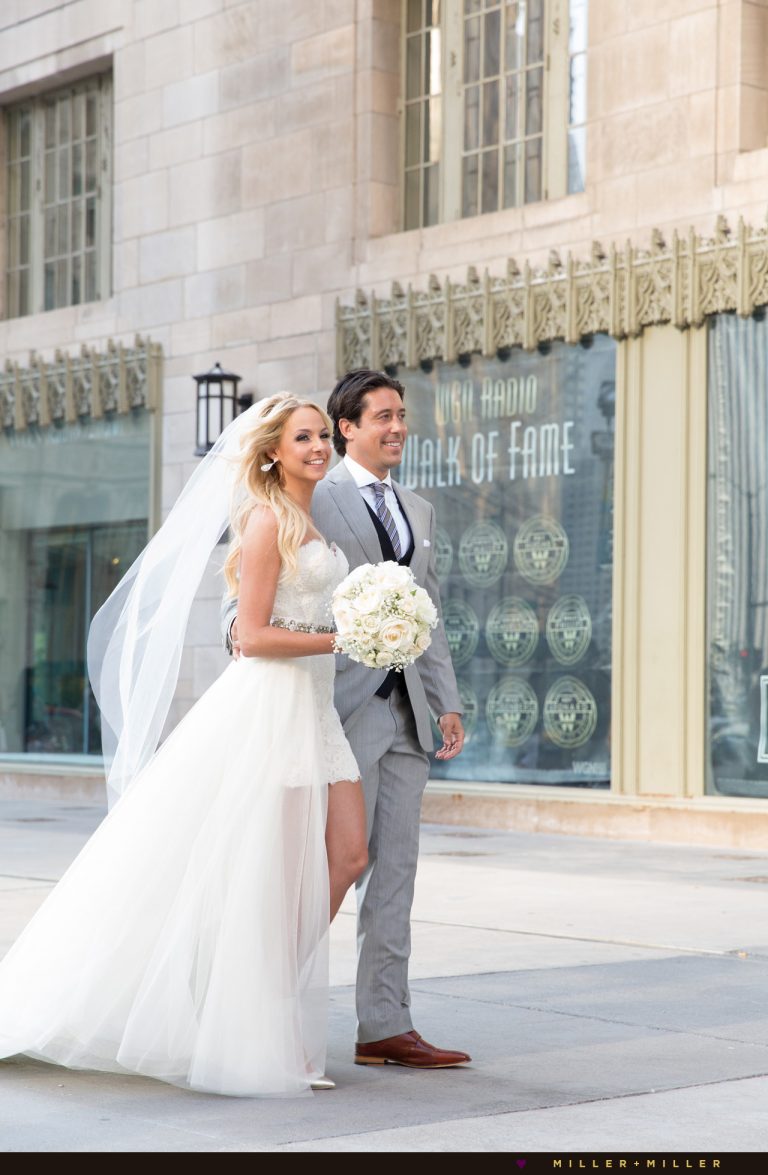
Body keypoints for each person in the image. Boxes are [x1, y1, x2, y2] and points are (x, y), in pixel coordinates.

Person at [0, 394, 368, 1096]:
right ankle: (256, 1020)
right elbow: (250, 636)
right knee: (277, 878)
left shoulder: (314, 520)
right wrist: (343, 639)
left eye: (323, 434)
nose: (319, 445)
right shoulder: (266, 522)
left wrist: (365, 629)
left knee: (349, 854)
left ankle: (248, 990)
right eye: (303, 437)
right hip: (272, 709)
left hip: (316, 710)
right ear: (272, 451)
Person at [223, 369, 472, 1069]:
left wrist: (446, 700)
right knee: (312, 866)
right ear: (348, 427)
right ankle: (257, 990)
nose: (397, 427)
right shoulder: (310, 492)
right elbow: (247, 605)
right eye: (383, 416)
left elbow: (427, 613)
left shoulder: (418, 509)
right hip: (331, 709)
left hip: (408, 714)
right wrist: (248, 646)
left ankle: (386, 1023)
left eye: (402, 415)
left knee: (394, 870)